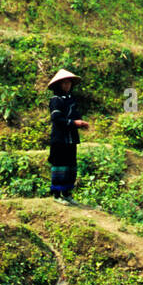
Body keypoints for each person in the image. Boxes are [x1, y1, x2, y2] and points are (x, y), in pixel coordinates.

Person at [47, 68, 89, 204]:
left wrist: (81, 123)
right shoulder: (56, 100)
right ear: (59, 85)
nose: (67, 85)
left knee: (71, 166)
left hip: (71, 139)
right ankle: (57, 195)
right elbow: (57, 119)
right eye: (64, 83)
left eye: (68, 83)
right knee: (60, 165)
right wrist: (74, 123)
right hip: (59, 139)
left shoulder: (71, 99)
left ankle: (67, 193)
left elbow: (75, 115)